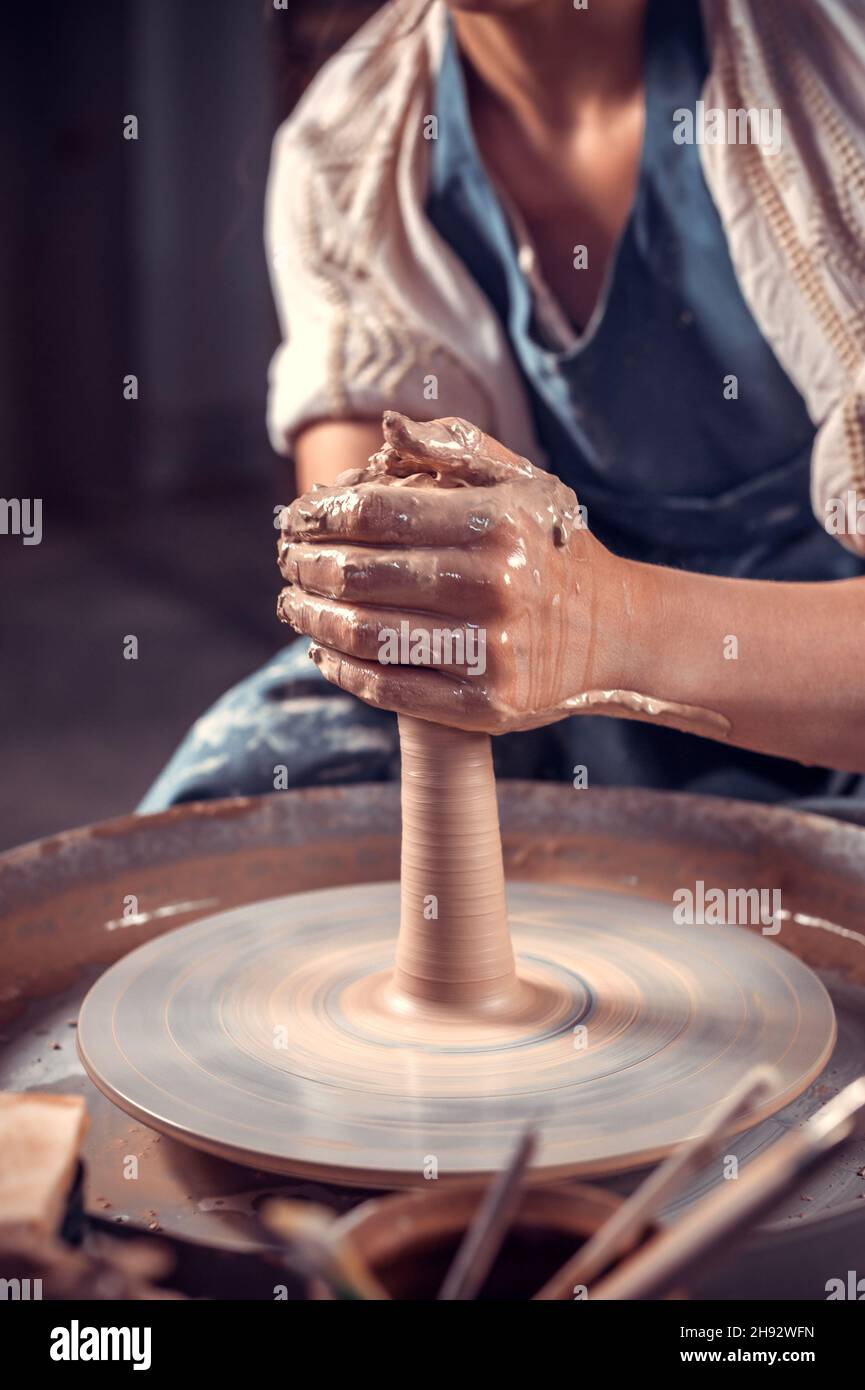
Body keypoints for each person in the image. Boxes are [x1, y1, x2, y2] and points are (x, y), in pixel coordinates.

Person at [140, 0, 865, 818]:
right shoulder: (340, 154)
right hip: (552, 705)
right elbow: (385, 596)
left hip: (823, 676)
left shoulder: (836, 59)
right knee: (236, 787)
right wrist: (399, 600)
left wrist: (602, 627)